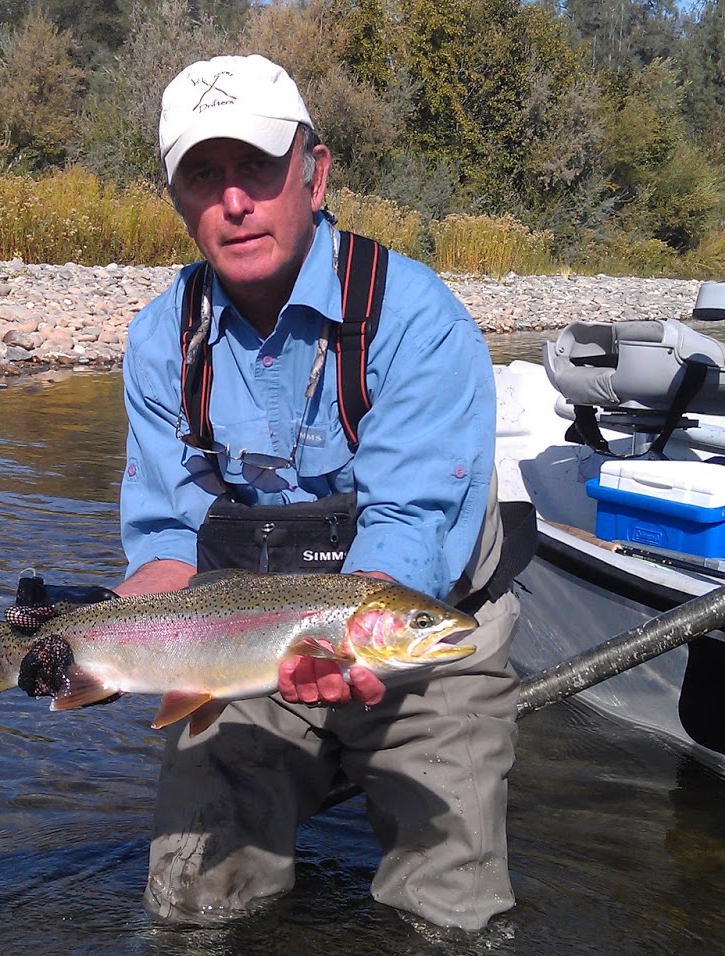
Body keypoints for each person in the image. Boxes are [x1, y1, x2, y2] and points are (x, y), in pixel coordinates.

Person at [116, 53, 524, 931]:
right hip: (243, 645)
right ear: (179, 200)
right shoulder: (160, 342)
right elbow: (166, 547)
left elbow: (411, 528)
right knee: (192, 899)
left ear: (315, 171)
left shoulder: (417, 320)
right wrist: (97, 638)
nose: (235, 201)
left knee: (453, 913)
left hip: (422, 637)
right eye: (204, 175)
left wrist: (348, 650)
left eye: (258, 168)